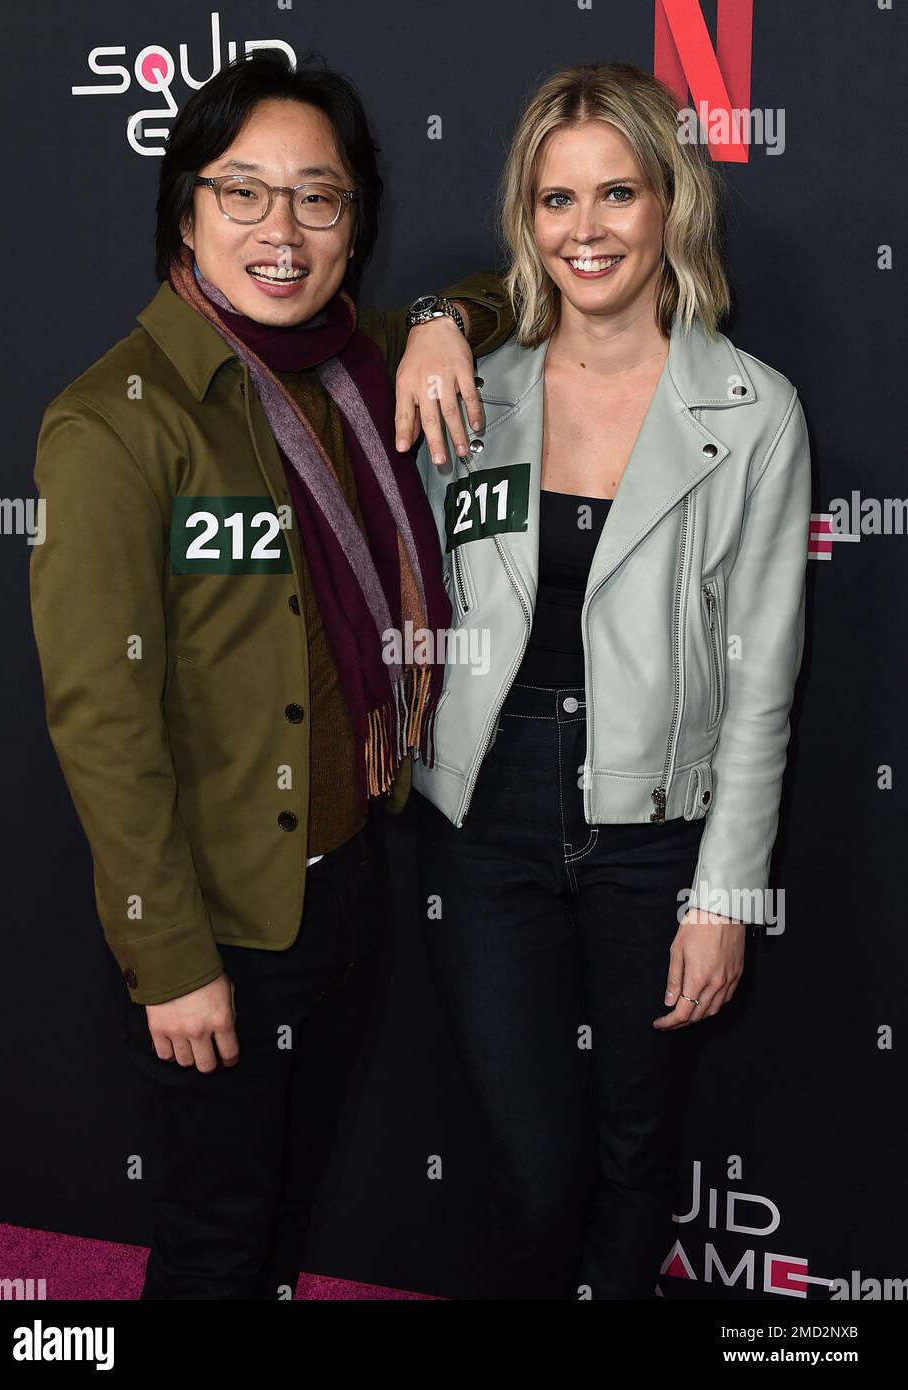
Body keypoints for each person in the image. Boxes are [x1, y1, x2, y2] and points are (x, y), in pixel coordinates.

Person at [29, 51, 513, 1300]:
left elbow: (524, 291)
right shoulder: (122, 420)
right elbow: (101, 718)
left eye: (319, 196)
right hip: (222, 921)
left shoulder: (369, 358)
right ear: (185, 209)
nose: (281, 231)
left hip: (348, 885)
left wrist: (452, 321)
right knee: (216, 1241)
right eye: (243, 192)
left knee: (289, 1216)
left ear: (357, 225)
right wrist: (170, 957)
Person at [412, 62, 812, 1299]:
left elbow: (763, 680)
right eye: (555, 200)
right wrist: (438, 313)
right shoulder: (472, 391)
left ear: (670, 203)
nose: (585, 230)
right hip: (486, 819)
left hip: (658, 831)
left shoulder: (753, 411)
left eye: (617, 193)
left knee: (639, 1155)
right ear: (525, 220)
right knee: (531, 1170)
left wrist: (725, 896)